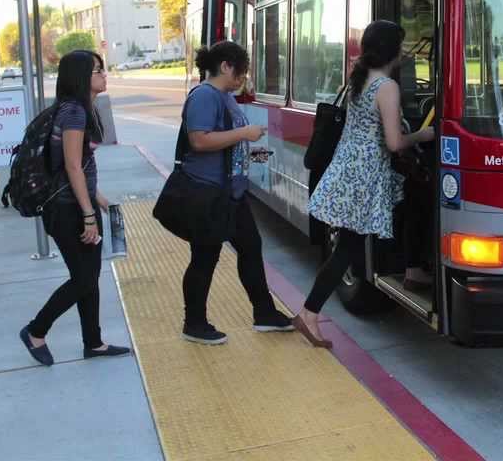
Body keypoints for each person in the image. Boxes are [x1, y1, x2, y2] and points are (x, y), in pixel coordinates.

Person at [293, 20, 435, 348]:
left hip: (349, 171)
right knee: (347, 250)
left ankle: (412, 269)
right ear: (392, 50)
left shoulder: (360, 78)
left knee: (408, 205)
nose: (404, 52)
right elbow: (395, 142)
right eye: (401, 45)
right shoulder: (387, 87)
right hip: (364, 177)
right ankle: (309, 313)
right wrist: (425, 134)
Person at [179, 40, 294, 344]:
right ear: (226, 66)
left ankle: (264, 313)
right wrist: (245, 133)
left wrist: (258, 155)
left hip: (230, 192)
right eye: (240, 72)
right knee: (205, 257)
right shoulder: (205, 96)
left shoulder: (224, 97)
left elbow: (231, 146)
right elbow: (200, 141)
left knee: (251, 248)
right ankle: (194, 322)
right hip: (209, 192)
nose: (242, 79)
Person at [20, 50, 131, 365]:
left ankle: (93, 343)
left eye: (103, 69)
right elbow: (71, 164)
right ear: (82, 76)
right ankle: (36, 330)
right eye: (97, 70)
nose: (103, 75)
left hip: (77, 202)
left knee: (89, 275)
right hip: (67, 210)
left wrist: (96, 197)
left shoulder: (82, 109)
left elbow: (78, 163)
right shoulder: (75, 113)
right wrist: (87, 214)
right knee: (83, 278)